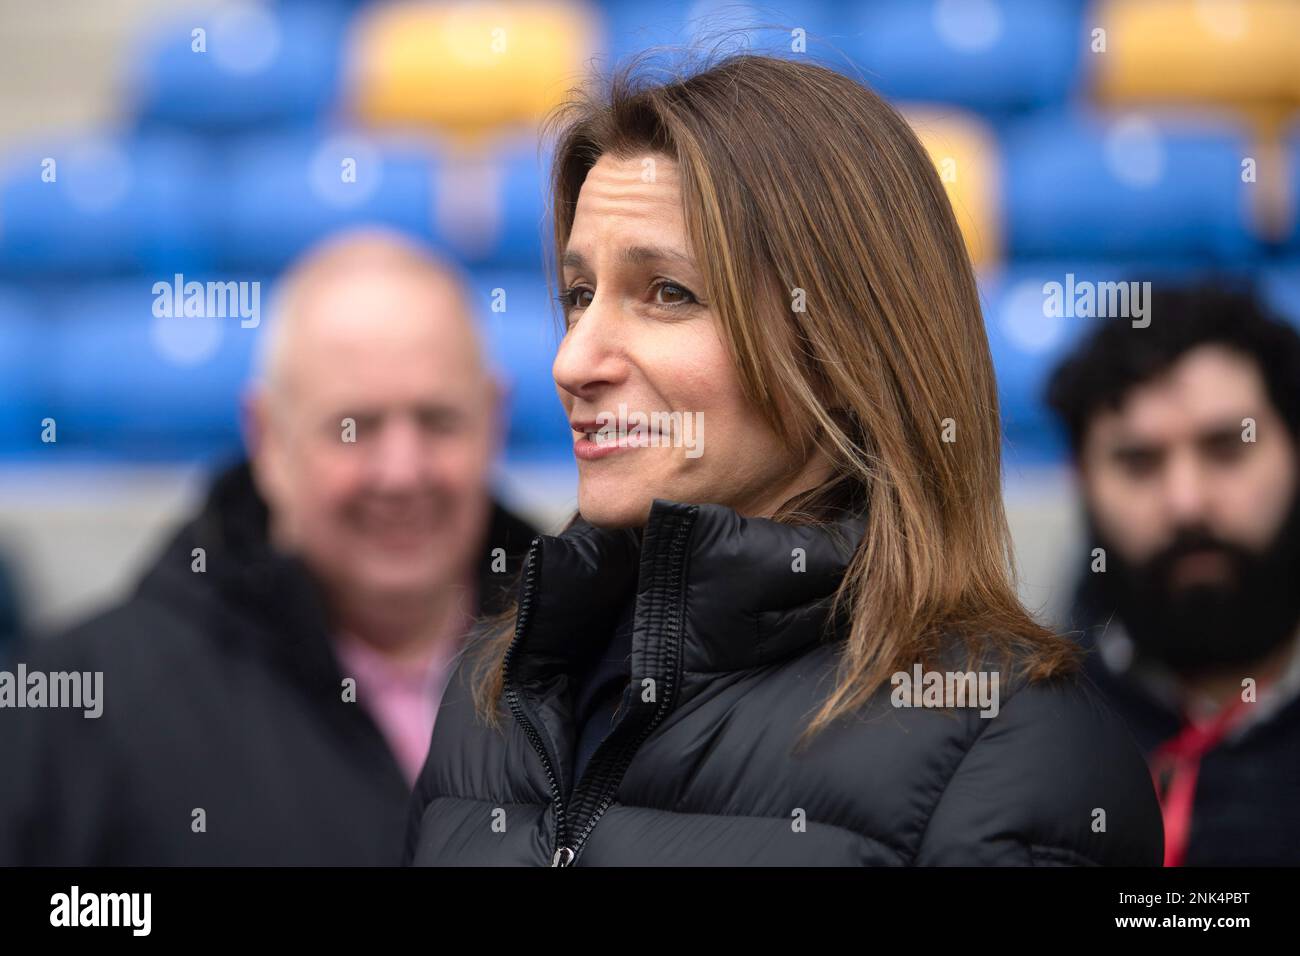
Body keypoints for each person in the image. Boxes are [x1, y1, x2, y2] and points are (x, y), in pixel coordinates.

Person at [405, 54, 1163, 867]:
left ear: (844, 355)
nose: (573, 362)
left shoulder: (1018, 750)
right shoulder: (495, 689)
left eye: (667, 293)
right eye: (579, 294)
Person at [0, 228, 537, 865]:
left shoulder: (596, 667)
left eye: (438, 420)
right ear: (268, 439)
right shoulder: (82, 707)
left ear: (493, 421)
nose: (401, 471)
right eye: (354, 428)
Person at [1046, 283, 1300, 866]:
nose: (1186, 503)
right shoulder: (1019, 741)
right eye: (1139, 462)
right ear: (1080, 481)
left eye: (1226, 448)